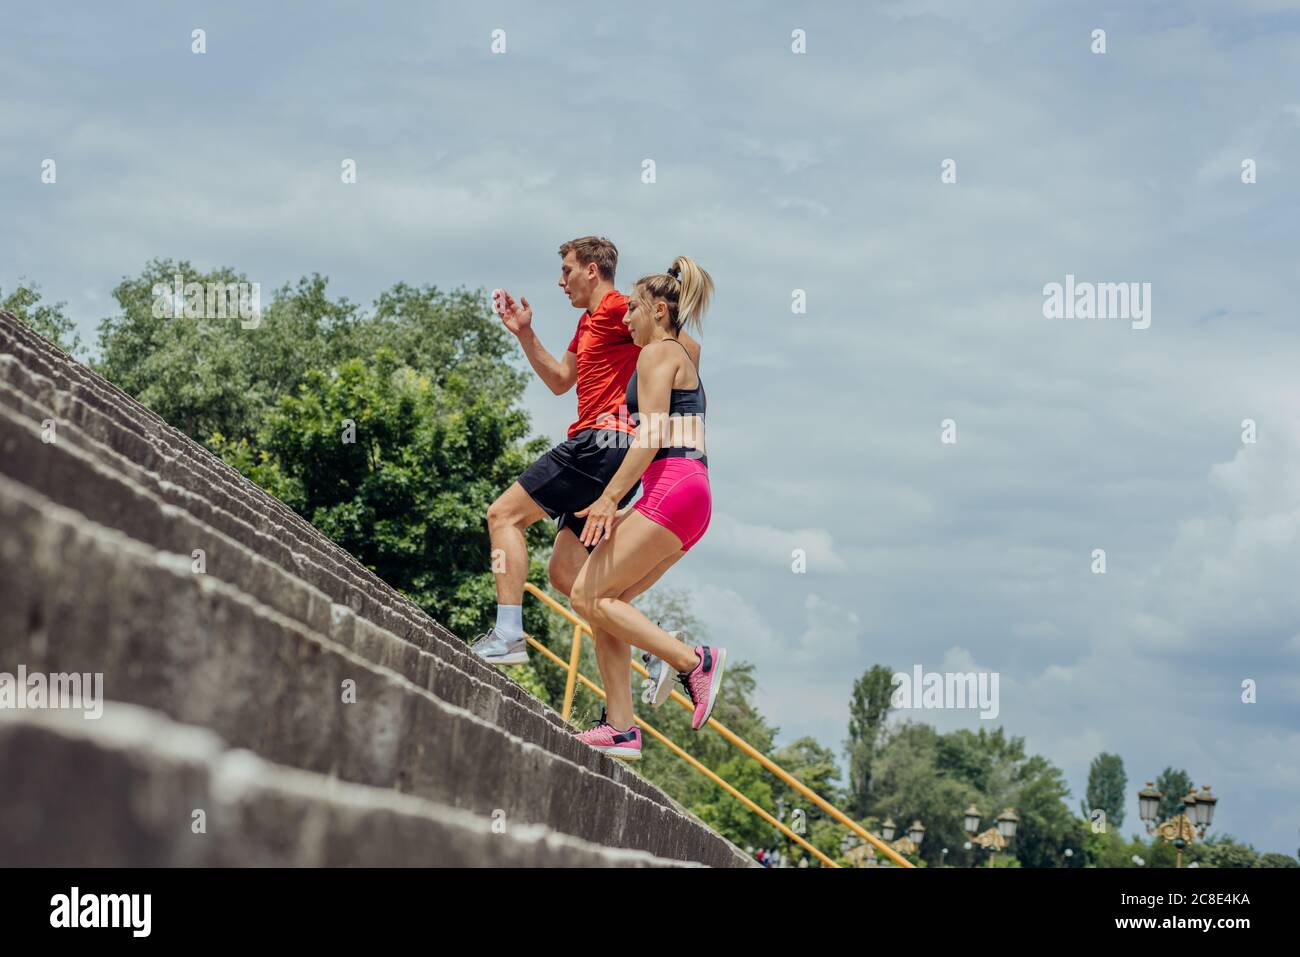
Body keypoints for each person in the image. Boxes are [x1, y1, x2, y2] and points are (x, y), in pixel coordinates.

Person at [470, 237, 698, 667]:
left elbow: (686, 346)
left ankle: (507, 635)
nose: (561, 282)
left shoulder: (616, 306)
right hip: (603, 452)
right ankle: (664, 651)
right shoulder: (589, 323)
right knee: (568, 576)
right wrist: (525, 332)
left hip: (601, 443)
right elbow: (560, 380)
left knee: (503, 515)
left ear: (592, 270)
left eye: (567, 270)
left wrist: (667, 409)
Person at [567, 257, 725, 759]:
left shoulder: (656, 354)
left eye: (633, 309)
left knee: (583, 595)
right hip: (694, 493)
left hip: (671, 485)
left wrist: (610, 499)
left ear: (659, 309)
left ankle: (689, 659)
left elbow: (654, 433)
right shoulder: (686, 349)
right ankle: (621, 728)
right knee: (604, 603)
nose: (625, 318)